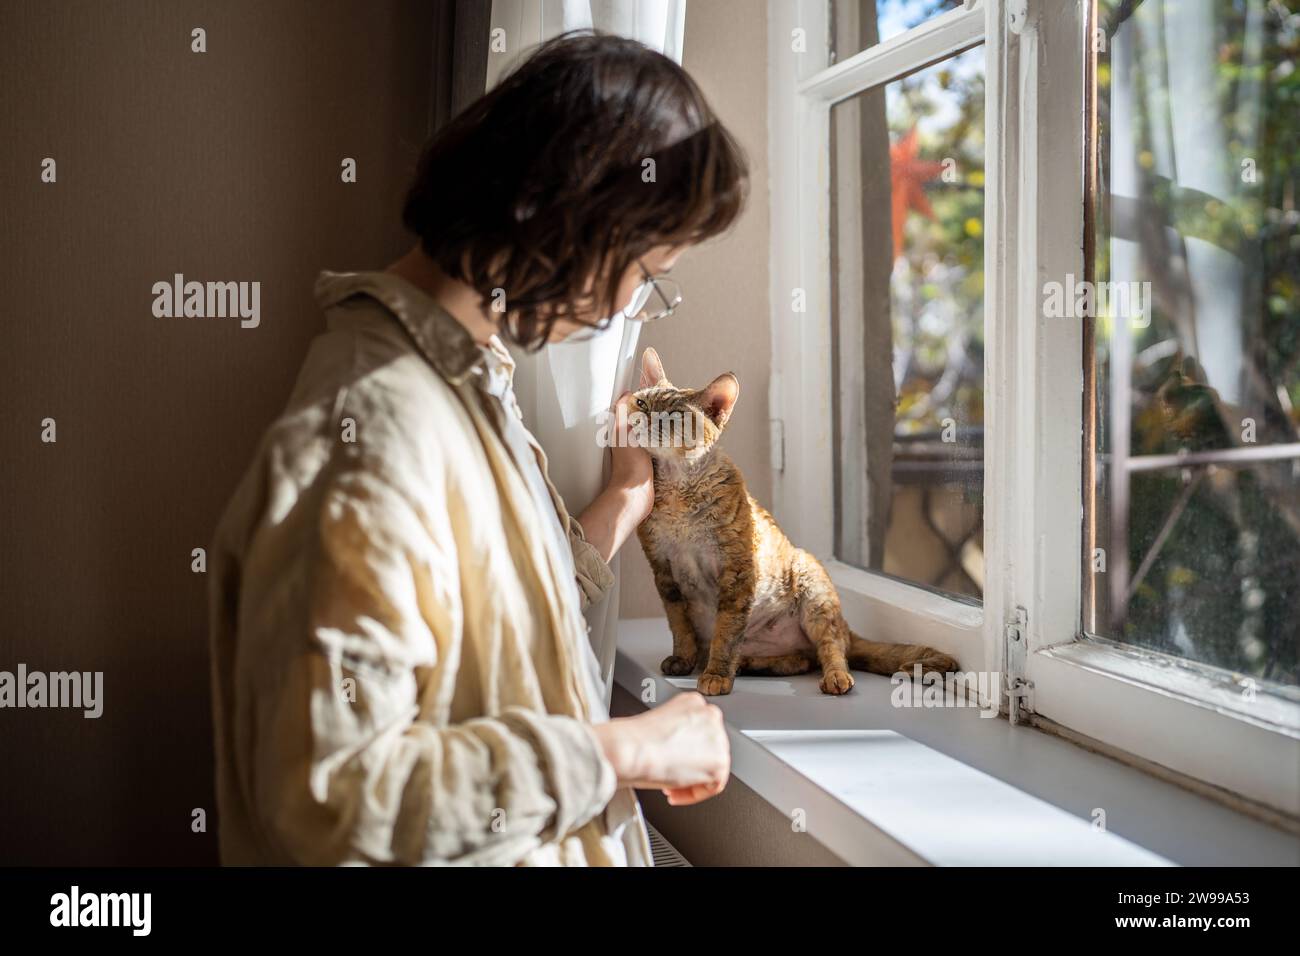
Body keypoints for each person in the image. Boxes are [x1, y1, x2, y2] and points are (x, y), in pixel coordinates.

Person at [207, 31, 749, 866]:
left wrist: (624, 502)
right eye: (646, 271)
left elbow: (483, 617)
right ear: (569, 218)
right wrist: (627, 751)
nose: (636, 305)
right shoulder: (374, 434)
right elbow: (334, 798)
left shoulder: (468, 383)